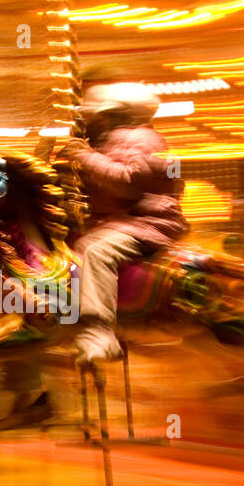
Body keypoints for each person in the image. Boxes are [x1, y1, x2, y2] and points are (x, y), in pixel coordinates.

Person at [64, 82, 188, 364]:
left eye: (101, 116)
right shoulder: (113, 140)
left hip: (149, 220)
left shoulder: (143, 140)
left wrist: (85, 157)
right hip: (122, 219)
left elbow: (128, 183)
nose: (96, 121)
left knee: (95, 250)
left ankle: (100, 332)